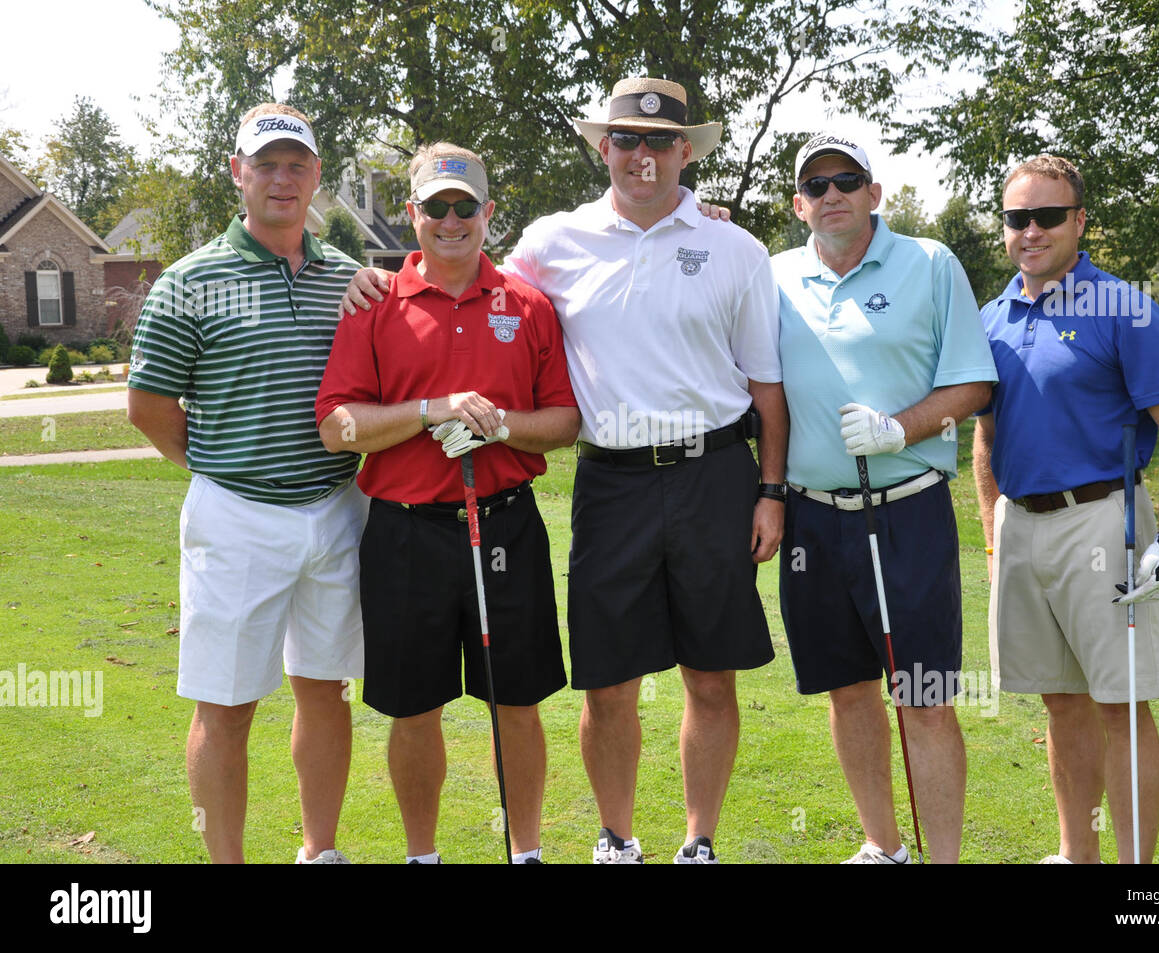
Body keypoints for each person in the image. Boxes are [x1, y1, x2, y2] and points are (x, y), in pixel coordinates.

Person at [342, 76, 787, 863]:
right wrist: (371, 271)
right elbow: (465, 277)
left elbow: (766, 387)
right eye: (625, 140)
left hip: (713, 473)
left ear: (685, 150)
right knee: (607, 680)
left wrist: (771, 491)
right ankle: (616, 838)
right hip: (610, 481)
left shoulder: (735, 247)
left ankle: (700, 840)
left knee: (711, 677)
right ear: (603, 148)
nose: (641, 156)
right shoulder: (553, 242)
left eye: (658, 142)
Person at [315, 143, 579, 864]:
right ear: (413, 214)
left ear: (489, 214)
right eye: (437, 207)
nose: (452, 220)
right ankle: (422, 855)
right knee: (413, 707)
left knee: (517, 704)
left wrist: (497, 422)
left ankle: (524, 851)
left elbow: (563, 422)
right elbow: (338, 427)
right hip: (404, 534)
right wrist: (430, 410)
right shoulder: (374, 303)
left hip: (506, 525)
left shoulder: (526, 304)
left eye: (467, 206)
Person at [127, 103, 366, 864]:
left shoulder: (351, 281)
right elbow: (149, 406)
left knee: (325, 689)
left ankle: (318, 850)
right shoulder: (189, 281)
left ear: (317, 177)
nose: (283, 179)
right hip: (235, 515)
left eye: (297, 164)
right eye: (266, 164)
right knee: (226, 706)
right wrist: (221, 466)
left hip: (336, 509)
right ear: (238, 172)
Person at [972, 154, 1159, 863]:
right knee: (1059, 700)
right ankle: (1079, 854)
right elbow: (985, 435)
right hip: (1020, 524)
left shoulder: (1124, 309)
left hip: (1104, 520)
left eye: (1048, 216)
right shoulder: (992, 315)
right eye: (1018, 218)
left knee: (1122, 705)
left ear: (1079, 221)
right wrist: (990, 537)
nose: (1032, 230)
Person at [772, 132, 997, 864]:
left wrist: (900, 428)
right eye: (816, 182)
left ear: (875, 192)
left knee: (923, 696)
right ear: (799, 202)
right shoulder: (771, 275)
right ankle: (883, 844)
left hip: (907, 508)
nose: (831, 192)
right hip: (811, 516)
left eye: (847, 179)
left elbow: (974, 382)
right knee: (847, 691)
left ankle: (943, 858)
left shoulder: (930, 262)